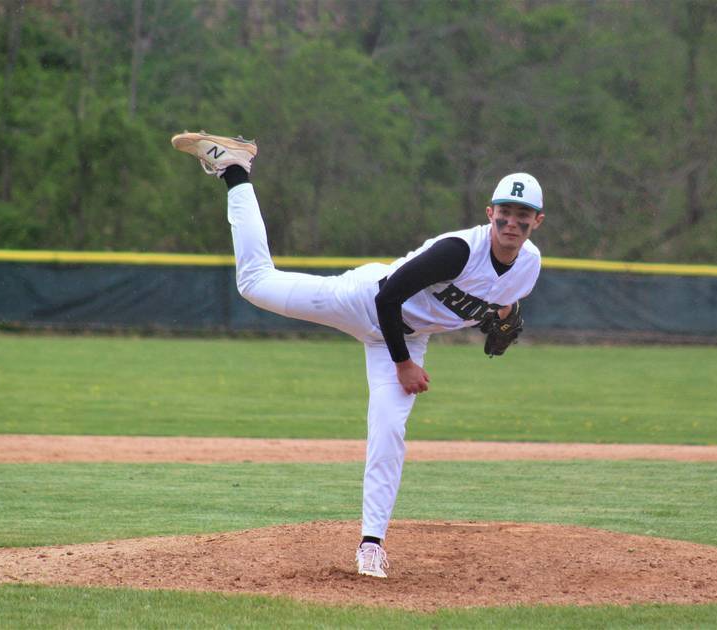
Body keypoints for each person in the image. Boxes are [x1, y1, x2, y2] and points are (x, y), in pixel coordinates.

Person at [171, 132, 545, 578]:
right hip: (364, 301)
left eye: (522, 216)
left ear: (536, 221)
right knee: (254, 284)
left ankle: (371, 544)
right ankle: (235, 169)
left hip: (409, 338)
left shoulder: (529, 267)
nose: (511, 222)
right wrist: (404, 364)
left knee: (389, 431)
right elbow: (389, 298)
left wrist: (502, 316)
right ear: (490, 213)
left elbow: (498, 299)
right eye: (504, 212)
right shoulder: (459, 251)